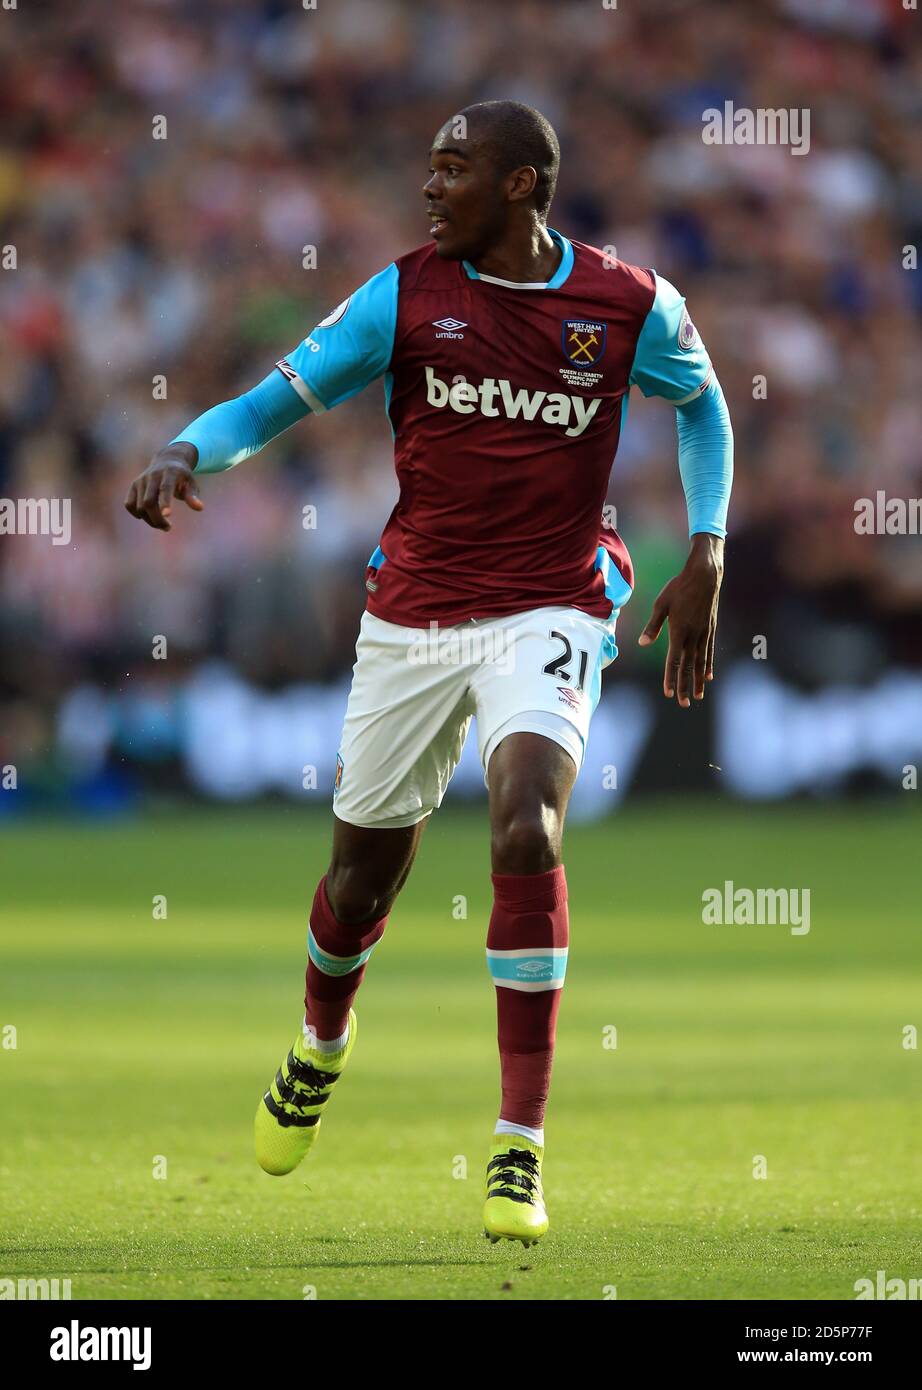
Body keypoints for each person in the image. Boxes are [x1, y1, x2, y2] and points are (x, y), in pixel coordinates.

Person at [124, 99, 733, 1247]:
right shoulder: (401, 295)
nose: (429, 185)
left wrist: (705, 547)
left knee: (526, 832)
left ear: (519, 186)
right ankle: (319, 1044)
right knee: (357, 885)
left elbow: (701, 405)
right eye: (428, 166)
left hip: (551, 599)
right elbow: (269, 404)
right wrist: (183, 448)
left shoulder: (627, 303)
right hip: (412, 612)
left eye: (453, 168)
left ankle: (517, 1148)